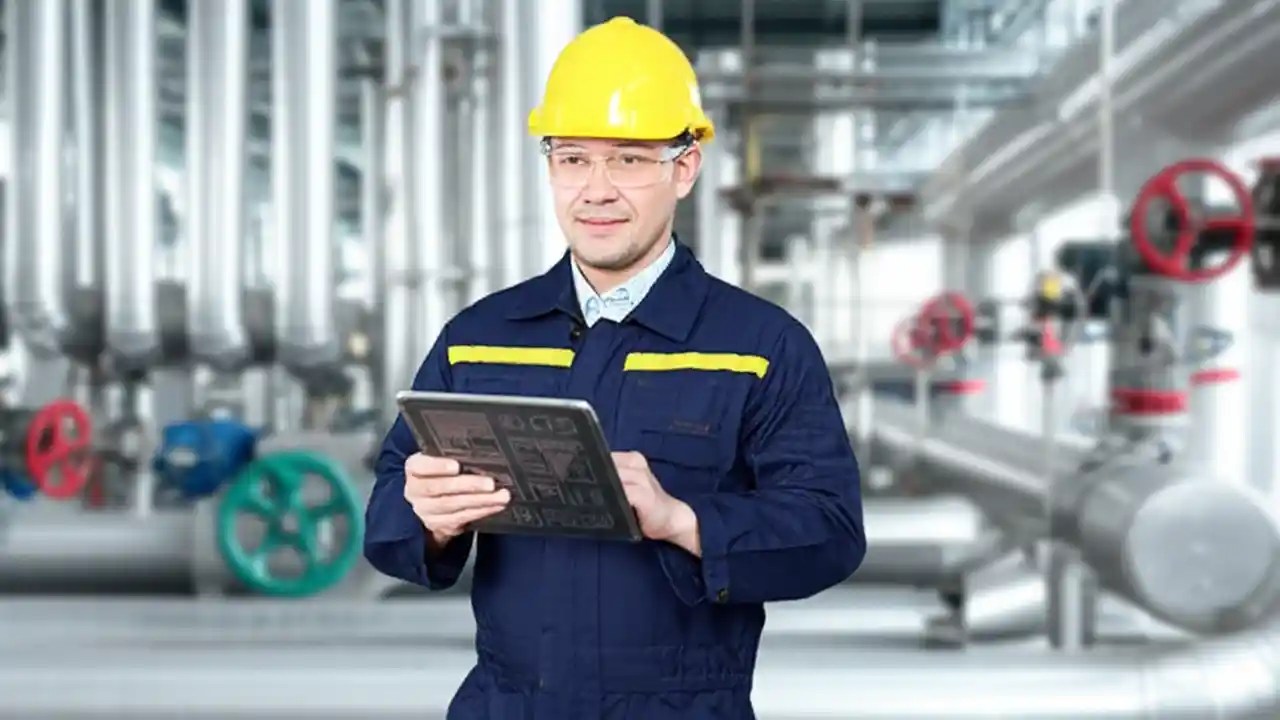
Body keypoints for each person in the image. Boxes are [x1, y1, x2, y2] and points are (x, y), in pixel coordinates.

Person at [364, 16, 866, 719]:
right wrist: (429, 518)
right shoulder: (479, 340)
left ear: (683, 167)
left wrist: (683, 519)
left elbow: (831, 533)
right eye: (572, 159)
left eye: (627, 159)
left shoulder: (759, 349)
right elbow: (387, 514)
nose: (595, 190)